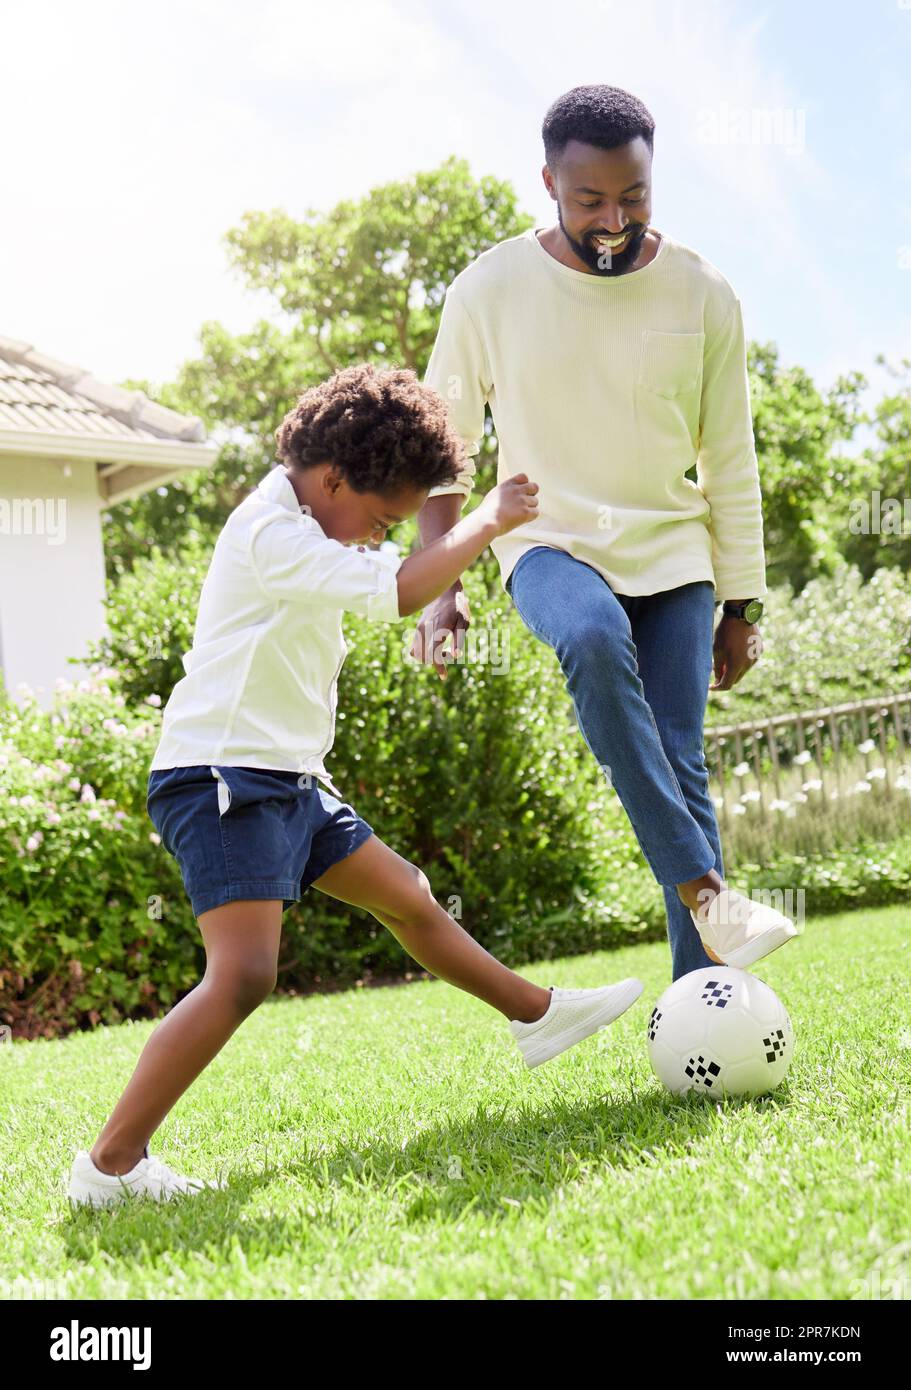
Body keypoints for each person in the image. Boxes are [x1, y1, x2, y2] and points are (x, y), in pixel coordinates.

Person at [67, 363, 644, 1208]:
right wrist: (485, 517)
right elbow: (401, 590)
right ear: (331, 479)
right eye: (379, 520)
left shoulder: (307, 521)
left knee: (406, 894)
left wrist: (437, 579)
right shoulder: (272, 531)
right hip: (223, 775)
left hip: (287, 778)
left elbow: (393, 584)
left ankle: (536, 1014)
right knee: (242, 975)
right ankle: (107, 1167)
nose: (379, 538)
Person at [410, 83, 802, 982]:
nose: (614, 220)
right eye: (590, 201)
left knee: (678, 760)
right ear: (548, 181)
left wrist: (741, 602)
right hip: (546, 542)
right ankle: (708, 895)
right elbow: (443, 450)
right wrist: (443, 585)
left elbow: (729, 460)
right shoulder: (489, 289)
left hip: (674, 553)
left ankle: (706, 1003)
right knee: (588, 636)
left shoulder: (703, 293)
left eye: (634, 197)